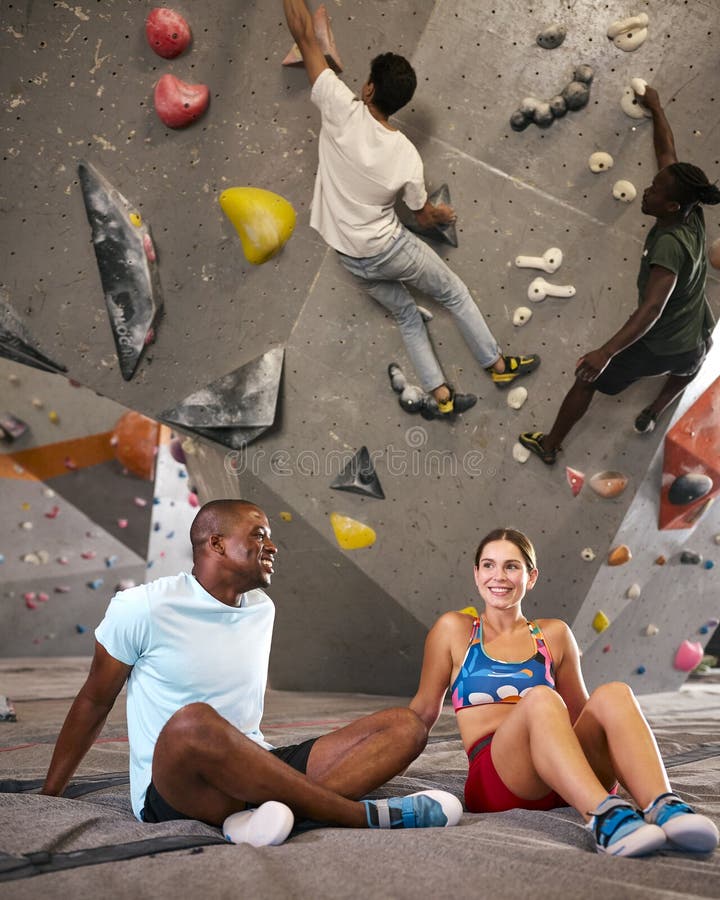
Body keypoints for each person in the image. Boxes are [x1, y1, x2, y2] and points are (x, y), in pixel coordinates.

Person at [41, 499, 461, 844]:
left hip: (256, 763)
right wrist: (50, 795)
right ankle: (357, 816)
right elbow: (95, 700)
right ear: (217, 544)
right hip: (176, 783)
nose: (273, 546)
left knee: (405, 727)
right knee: (193, 722)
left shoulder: (262, 608)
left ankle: (262, 817)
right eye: (259, 535)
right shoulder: (141, 608)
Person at [282, 0, 540, 420]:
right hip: (387, 248)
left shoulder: (338, 108)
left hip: (349, 257)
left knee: (406, 316)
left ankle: (442, 398)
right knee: (453, 293)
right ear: (399, 103)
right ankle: (496, 367)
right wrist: (440, 214)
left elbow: (303, 34)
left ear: (367, 89)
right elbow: (421, 217)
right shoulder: (406, 157)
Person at [409, 527, 719, 857]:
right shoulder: (454, 630)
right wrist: (373, 766)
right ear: (476, 573)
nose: (498, 576)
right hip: (501, 781)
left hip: (564, 773)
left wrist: (627, 763)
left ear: (531, 577)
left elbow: (585, 714)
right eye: (489, 565)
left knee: (614, 692)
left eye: (511, 566)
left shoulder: (554, 634)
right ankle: (605, 817)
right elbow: (422, 714)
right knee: (541, 698)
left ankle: (663, 805)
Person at [520, 85, 720, 464]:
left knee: (588, 377)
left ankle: (549, 446)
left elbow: (652, 309)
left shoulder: (668, 244)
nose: (647, 191)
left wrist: (606, 352)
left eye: (655, 192)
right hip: (695, 334)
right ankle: (655, 410)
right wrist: (657, 108)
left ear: (672, 204)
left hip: (662, 343)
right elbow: (667, 154)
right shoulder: (690, 212)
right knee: (690, 365)